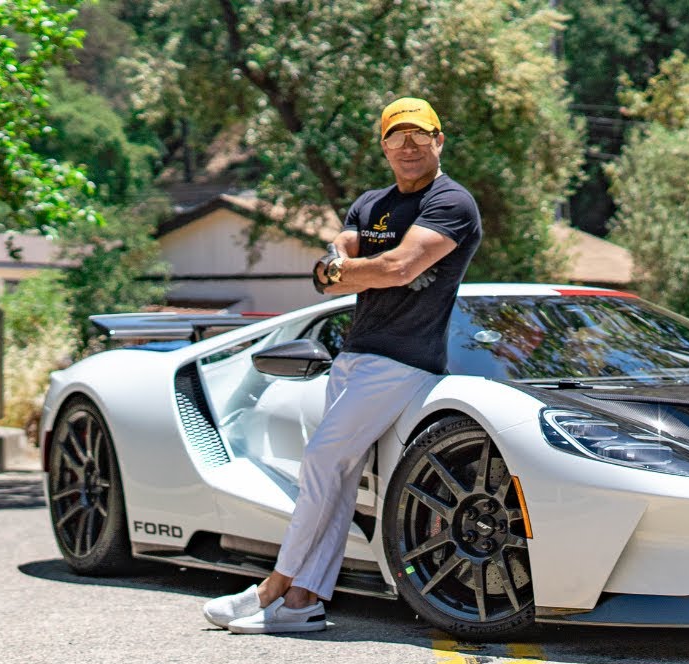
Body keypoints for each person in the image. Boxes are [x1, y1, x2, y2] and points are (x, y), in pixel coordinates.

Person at [202, 97, 482, 634]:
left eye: (420, 136)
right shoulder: (371, 204)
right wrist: (349, 268)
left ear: (439, 140)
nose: (409, 146)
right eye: (397, 137)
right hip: (356, 356)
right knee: (337, 477)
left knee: (321, 461)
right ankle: (304, 602)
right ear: (383, 146)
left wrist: (348, 270)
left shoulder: (453, 202)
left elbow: (398, 268)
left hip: (404, 361)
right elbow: (328, 263)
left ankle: (273, 586)